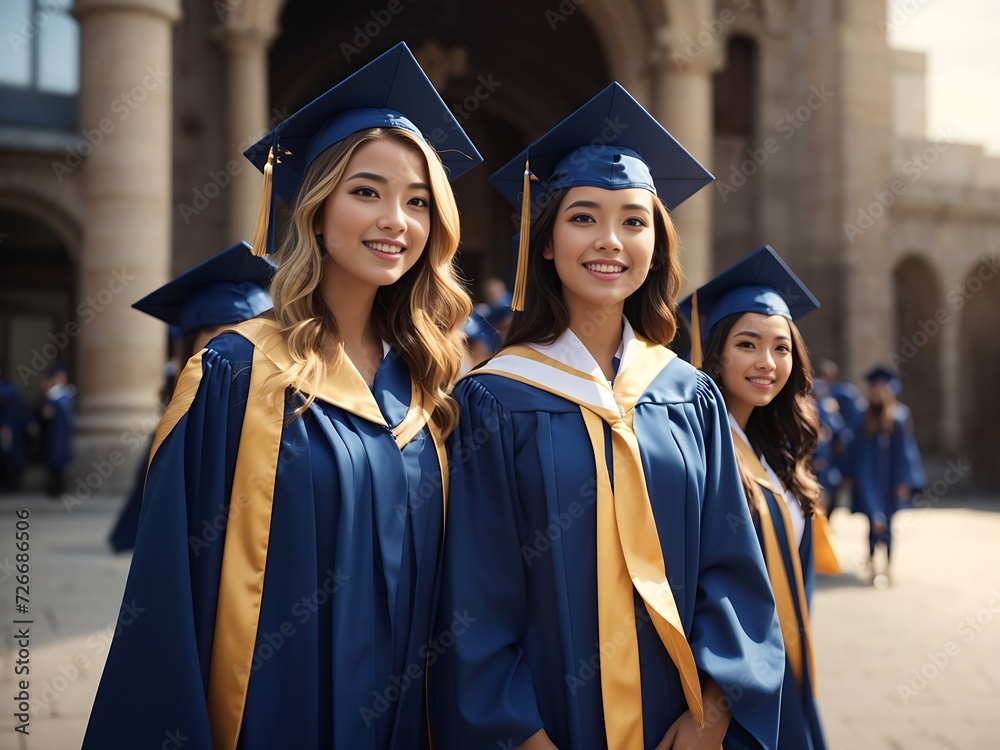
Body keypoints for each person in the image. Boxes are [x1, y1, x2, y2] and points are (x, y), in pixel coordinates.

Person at [83, 42, 481, 750]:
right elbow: (168, 595)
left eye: (418, 201)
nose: (396, 219)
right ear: (316, 209)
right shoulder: (235, 374)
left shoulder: (430, 386)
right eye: (366, 191)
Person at [429, 83, 783, 750]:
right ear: (545, 242)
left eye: (634, 221)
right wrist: (521, 736)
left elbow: (732, 568)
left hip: (681, 724)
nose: (610, 241)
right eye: (584, 217)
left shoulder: (689, 396)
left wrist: (713, 710)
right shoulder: (496, 399)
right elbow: (475, 597)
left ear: (657, 243)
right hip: (547, 726)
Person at [680, 244, 831, 750]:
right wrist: (716, 701)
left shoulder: (773, 451)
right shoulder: (699, 448)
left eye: (781, 348)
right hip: (730, 690)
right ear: (715, 352)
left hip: (787, 668)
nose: (767, 362)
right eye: (747, 344)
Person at [108, 241, 276, 553]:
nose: (243, 352)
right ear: (193, 346)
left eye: (257, 338)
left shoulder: (293, 410)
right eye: (227, 340)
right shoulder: (183, 419)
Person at [841, 365, 926, 588]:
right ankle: (871, 563)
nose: (876, 392)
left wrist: (905, 480)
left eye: (880, 388)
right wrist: (847, 473)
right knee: (873, 520)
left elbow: (907, 450)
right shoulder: (862, 416)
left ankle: (887, 567)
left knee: (887, 523)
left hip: (890, 479)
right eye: (873, 388)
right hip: (867, 477)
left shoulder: (899, 416)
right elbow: (852, 447)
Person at [36, 363, 75, 497]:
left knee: (61, 461)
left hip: (62, 433)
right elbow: (40, 412)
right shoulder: (49, 395)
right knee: (52, 460)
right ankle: (53, 488)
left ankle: (59, 488)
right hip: (52, 433)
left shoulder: (67, 393)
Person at [0, 367, 29, 492]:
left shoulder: (9, 389)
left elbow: (17, 409)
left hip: (8, 429)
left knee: (9, 457)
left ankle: (9, 484)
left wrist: (5, 425)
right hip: (7, 427)